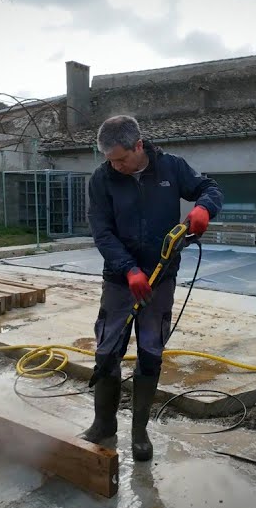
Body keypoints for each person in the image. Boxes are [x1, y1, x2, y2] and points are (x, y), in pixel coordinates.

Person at [82, 115, 222, 461]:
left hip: (161, 280)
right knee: (107, 349)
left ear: (139, 145)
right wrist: (128, 270)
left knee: (150, 350)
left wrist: (204, 208)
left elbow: (209, 188)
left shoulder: (171, 168)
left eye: (121, 158)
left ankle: (140, 431)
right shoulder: (103, 179)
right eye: (110, 160)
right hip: (119, 281)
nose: (116, 165)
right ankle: (103, 425)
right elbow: (102, 232)